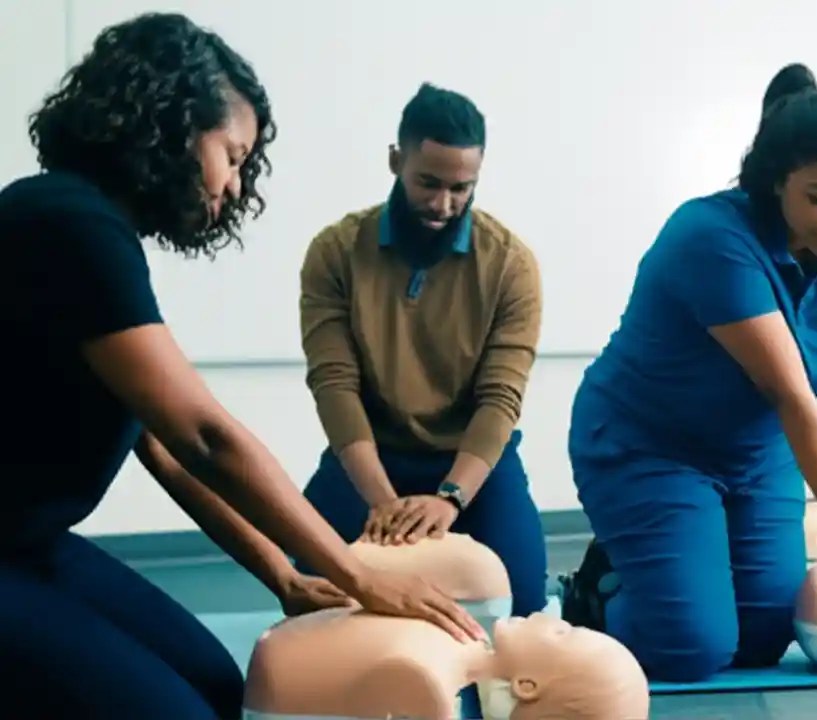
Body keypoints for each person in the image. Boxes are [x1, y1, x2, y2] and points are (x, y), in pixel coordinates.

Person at [0, 13, 482, 719]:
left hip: (30, 542)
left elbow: (162, 448)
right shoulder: (67, 224)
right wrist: (359, 577)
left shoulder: (91, 229)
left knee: (220, 687)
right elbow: (205, 437)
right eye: (231, 154)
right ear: (171, 125)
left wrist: (283, 577)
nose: (234, 185)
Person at [557, 63, 817, 683]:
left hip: (758, 451)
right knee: (691, 647)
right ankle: (596, 594)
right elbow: (794, 393)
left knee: (766, 636)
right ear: (776, 183)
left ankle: (669, 570)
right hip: (650, 447)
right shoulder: (710, 236)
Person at [296, 82, 547, 621]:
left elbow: (500, 399)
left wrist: (450, 498)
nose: (442, 204)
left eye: (462, 188)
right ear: (395, 160)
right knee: (309, 588)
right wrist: (384, 504)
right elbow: (334, 386)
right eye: (427, 183)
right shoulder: (335, 252)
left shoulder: (511, 266)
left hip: (469, 461)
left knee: (522, 603)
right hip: (371, 453)